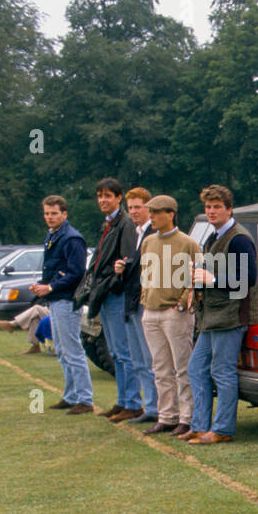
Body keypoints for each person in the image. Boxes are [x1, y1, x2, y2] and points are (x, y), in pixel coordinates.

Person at [183, 184, 258, 445]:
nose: (212, 211)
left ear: (229, 209)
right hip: (211, 318)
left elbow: (248, 278)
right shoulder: (213, 237)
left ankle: (223, 429)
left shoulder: (239, 238)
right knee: (195, 368)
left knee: (222, 372)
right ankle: (200, 426)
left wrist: (211, 279)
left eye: (217, 206)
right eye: (208, 207)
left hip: (231, 316)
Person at [139, 196, 199, 436]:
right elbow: (145, 271)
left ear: (171, 213)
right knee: (160, 368)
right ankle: (167, 415)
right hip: (151, 311)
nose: (151, 217)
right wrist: (145, 298)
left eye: (156, 212)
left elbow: (195, 275)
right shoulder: (148, 242)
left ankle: (187, 417)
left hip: (175, 314)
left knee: (182, 367)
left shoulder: (188, 243)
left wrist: (182, 303)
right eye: (150, 212)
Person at [82, 178, 141, 422]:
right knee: (115, 352)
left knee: (124, 352)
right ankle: (123, 401)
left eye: (107, 195)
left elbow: (127, 262)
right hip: (105, 295)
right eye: (99, 196)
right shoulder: (108, 224)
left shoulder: (125, 224)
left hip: (116, 295)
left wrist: (113, 286)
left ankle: (133, 403)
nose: (102, 200)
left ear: (119, 198)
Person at [31, 196, 92, 414]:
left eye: (54, 213)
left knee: (72, 349)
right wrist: (43, 285)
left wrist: (51, 287)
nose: (49, 217)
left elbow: (76, 273)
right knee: (62, 350)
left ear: (64, 214)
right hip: (56, 299)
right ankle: (71, 395)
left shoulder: (72, 239)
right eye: (46, 213)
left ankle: (85, 399)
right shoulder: (53, 236)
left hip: (67, 300)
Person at [116, 187, 159, 424]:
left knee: (150, 359)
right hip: (132, 301)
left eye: (138, 207)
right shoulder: (136, 233)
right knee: (138, 359)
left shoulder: (153, 233)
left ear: (148, 208)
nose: (133, 212)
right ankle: (150, 406)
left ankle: (156, 407)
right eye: (130, 207)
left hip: (145, 302)